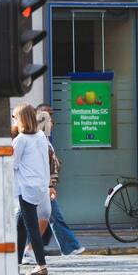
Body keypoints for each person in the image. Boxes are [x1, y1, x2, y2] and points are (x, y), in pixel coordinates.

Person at [36, 105, 85, 258]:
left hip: (45, 185)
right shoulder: (38, 139)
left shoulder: (43, 139)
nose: (53, 121)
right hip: (43, 186)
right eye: (49, 117)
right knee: (53, 217)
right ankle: (69, 247)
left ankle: (34, 248)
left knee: (48, 217)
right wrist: (49, 185)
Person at [13, 103, 52, 275]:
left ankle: (41, 265)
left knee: (31, 228)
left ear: (20, 119)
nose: (13, 120)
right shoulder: (41, 136)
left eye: (14, 117)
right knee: (21, 225)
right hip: (40, 185)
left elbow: (12, 164)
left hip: (26, 187)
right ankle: (14, 263)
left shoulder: (20, 140)